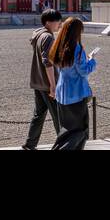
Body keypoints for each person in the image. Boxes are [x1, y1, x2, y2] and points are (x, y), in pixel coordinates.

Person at [49, 17, 97, 150]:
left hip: (62, 93)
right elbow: (83, 71)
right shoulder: (77, 48)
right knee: (80, 130)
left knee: (65, 130)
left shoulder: (58, 45)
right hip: (76, 93)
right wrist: (92, 60)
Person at [22, 9, 63, 150]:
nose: (59, 23)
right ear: (48, 22)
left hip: (37, 81)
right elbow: (48, 62)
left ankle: (30, 144)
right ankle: (64, 145)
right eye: (57, 21)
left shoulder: (38, 35)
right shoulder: (48, 37)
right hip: (47, 84)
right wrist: (53, 85)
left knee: (38, 115)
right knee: (59, 117)